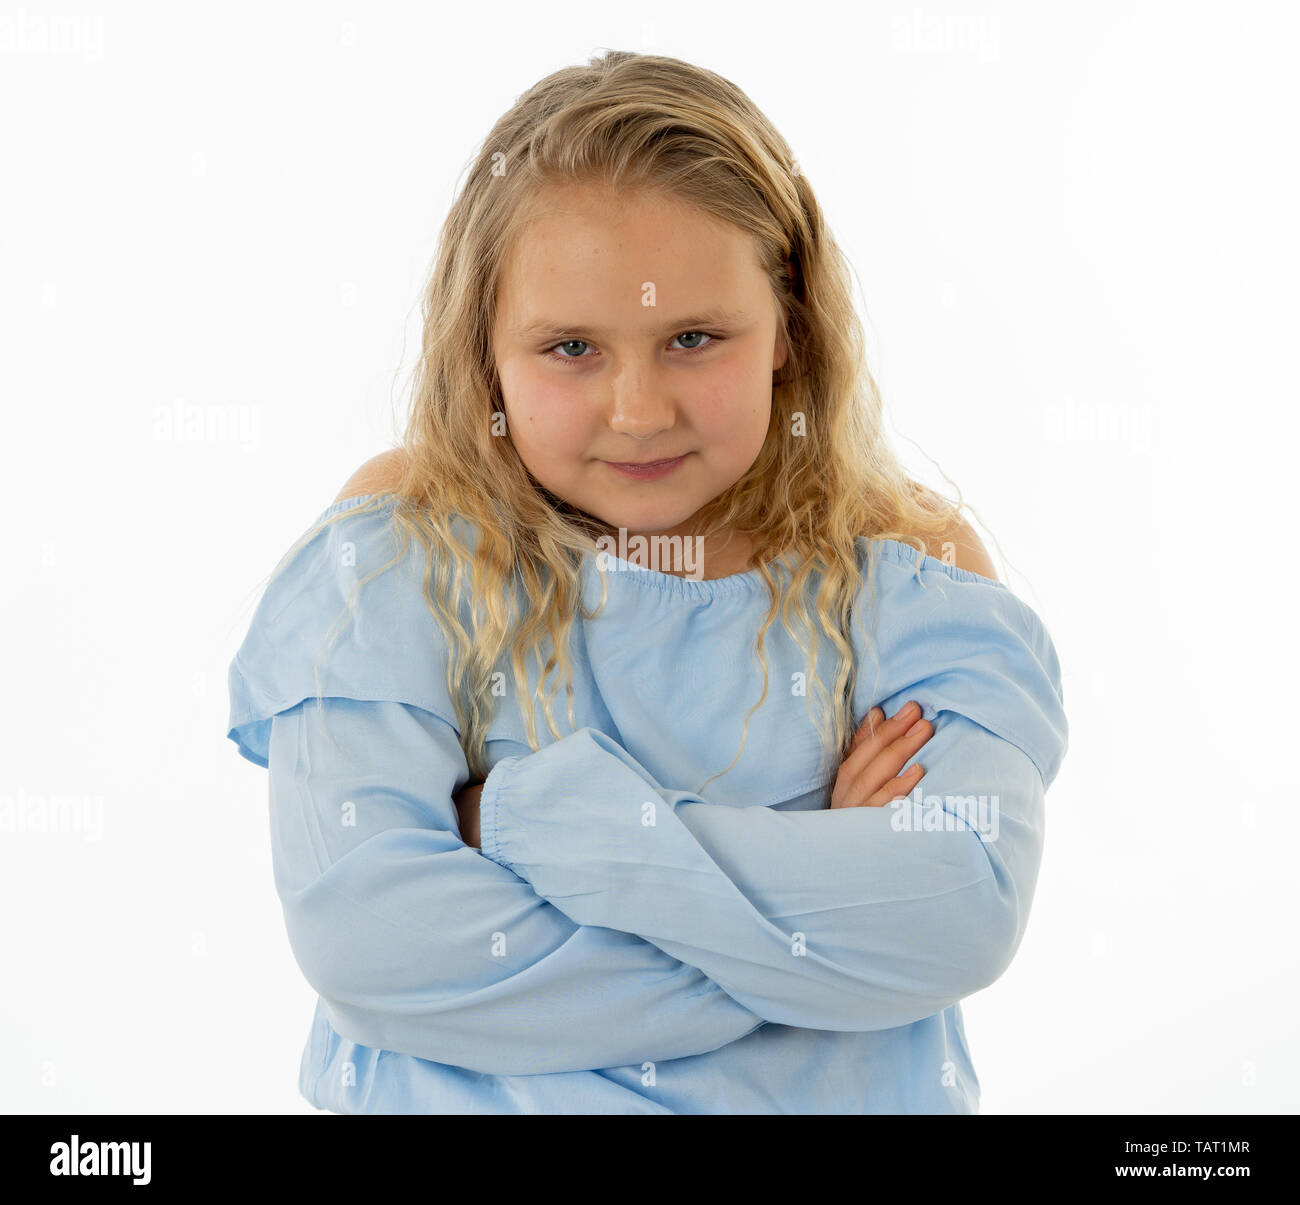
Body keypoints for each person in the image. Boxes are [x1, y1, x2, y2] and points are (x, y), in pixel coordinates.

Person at [226, 50, 1068, 1114]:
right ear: (484, 351)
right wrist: (823, 942)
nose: (637, 408)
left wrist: (531, 816)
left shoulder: (906, 565)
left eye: (693, 338)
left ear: (788, 331)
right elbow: (371, 942)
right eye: (571, 346)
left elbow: (954, 911)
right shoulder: (405, 545)